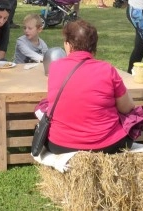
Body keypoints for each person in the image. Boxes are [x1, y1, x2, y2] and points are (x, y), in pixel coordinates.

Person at [44, 20, 135, 154]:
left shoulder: (55, 67)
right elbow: (127, 107)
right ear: (94, 46)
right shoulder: (107, 70)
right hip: (106, 144)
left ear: (68, 45)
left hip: (60, 144)